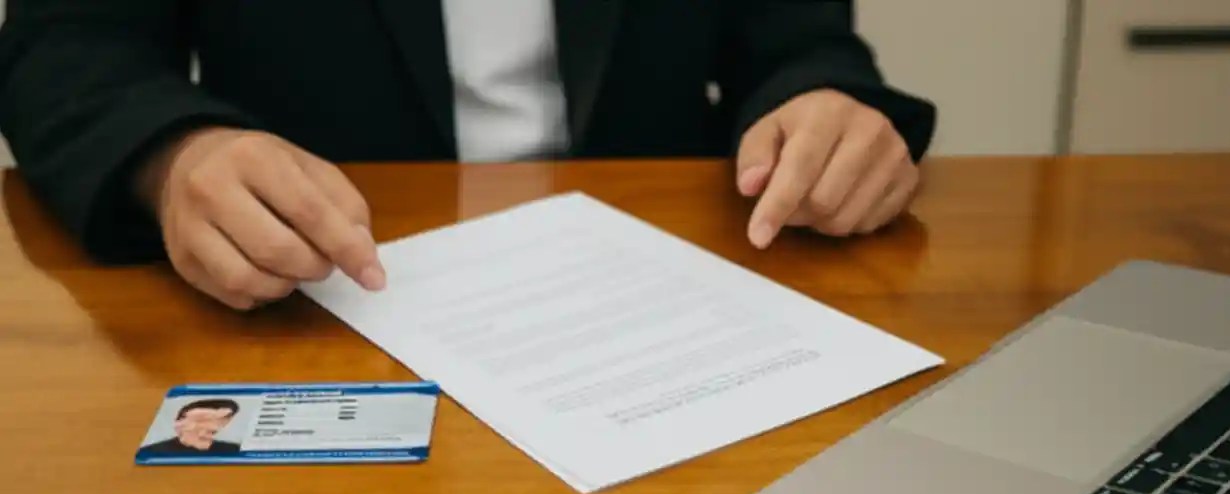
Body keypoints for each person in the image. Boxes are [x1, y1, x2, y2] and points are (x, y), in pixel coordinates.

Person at [0, 2, 936, 311]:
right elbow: (68, 43)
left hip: (670, 287)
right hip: (323, 290)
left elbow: (799, 43)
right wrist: (175, 154)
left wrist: (828, 111)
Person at [139, 398, 243, 455]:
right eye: (202, 420)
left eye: (219, 421)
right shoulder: (152, 451)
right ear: (179, 422)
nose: (212, 426)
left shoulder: (233, 449)